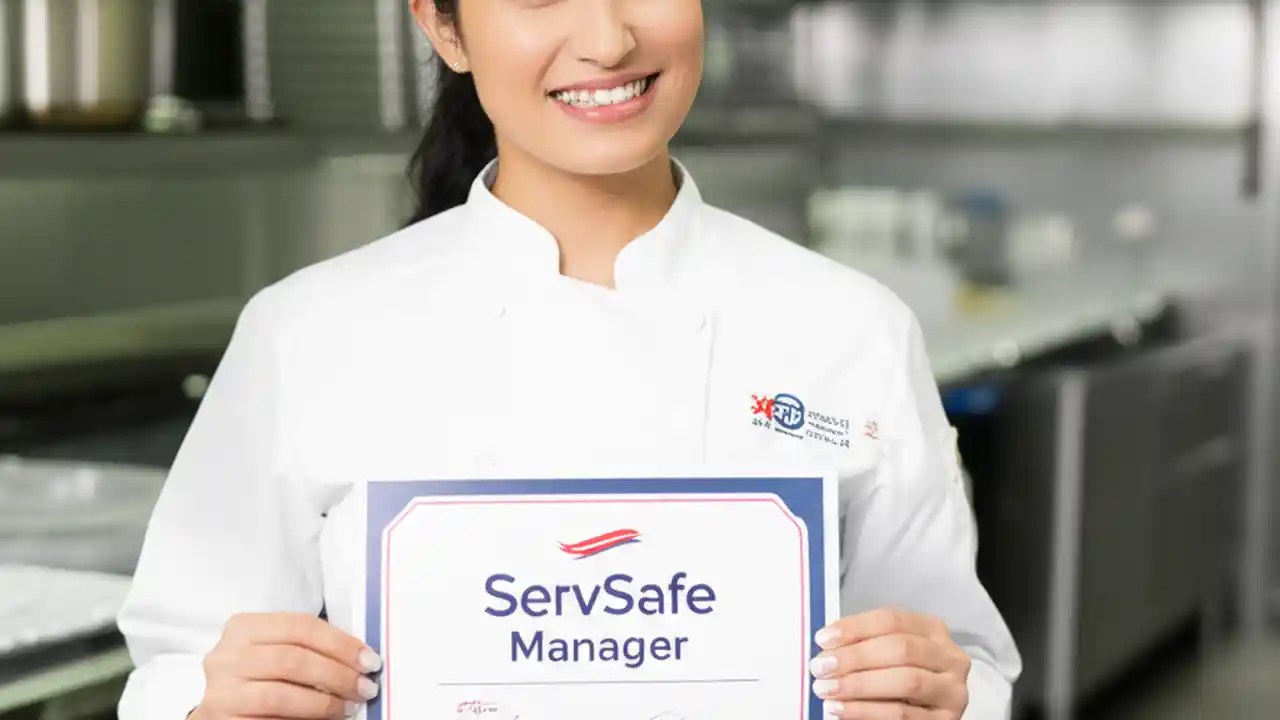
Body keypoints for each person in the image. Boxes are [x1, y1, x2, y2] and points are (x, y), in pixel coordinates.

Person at [117, 1, 1021, 718]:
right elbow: (174, 669)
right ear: (442, 25)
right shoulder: (305, 332)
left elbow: (966, 667)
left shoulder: (852, 329)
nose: (608, 37)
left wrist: (944, 693)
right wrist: (209, 700)